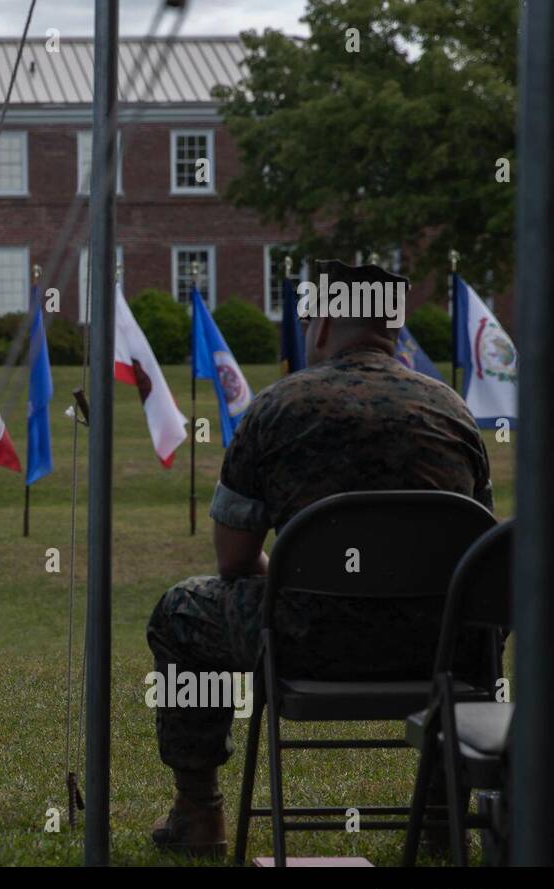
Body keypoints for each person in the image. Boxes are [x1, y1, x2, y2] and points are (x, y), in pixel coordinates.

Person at [146, 260, 494, 856]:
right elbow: (479, 562)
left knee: (179, 611)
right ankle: (442, 815)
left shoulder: (276, 408)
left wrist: (301, 588)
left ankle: (198, 812)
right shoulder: (453, 413)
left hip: (307, 639)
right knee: (485, 615)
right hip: (437, 650)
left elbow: (232, 561)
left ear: (327, 320)